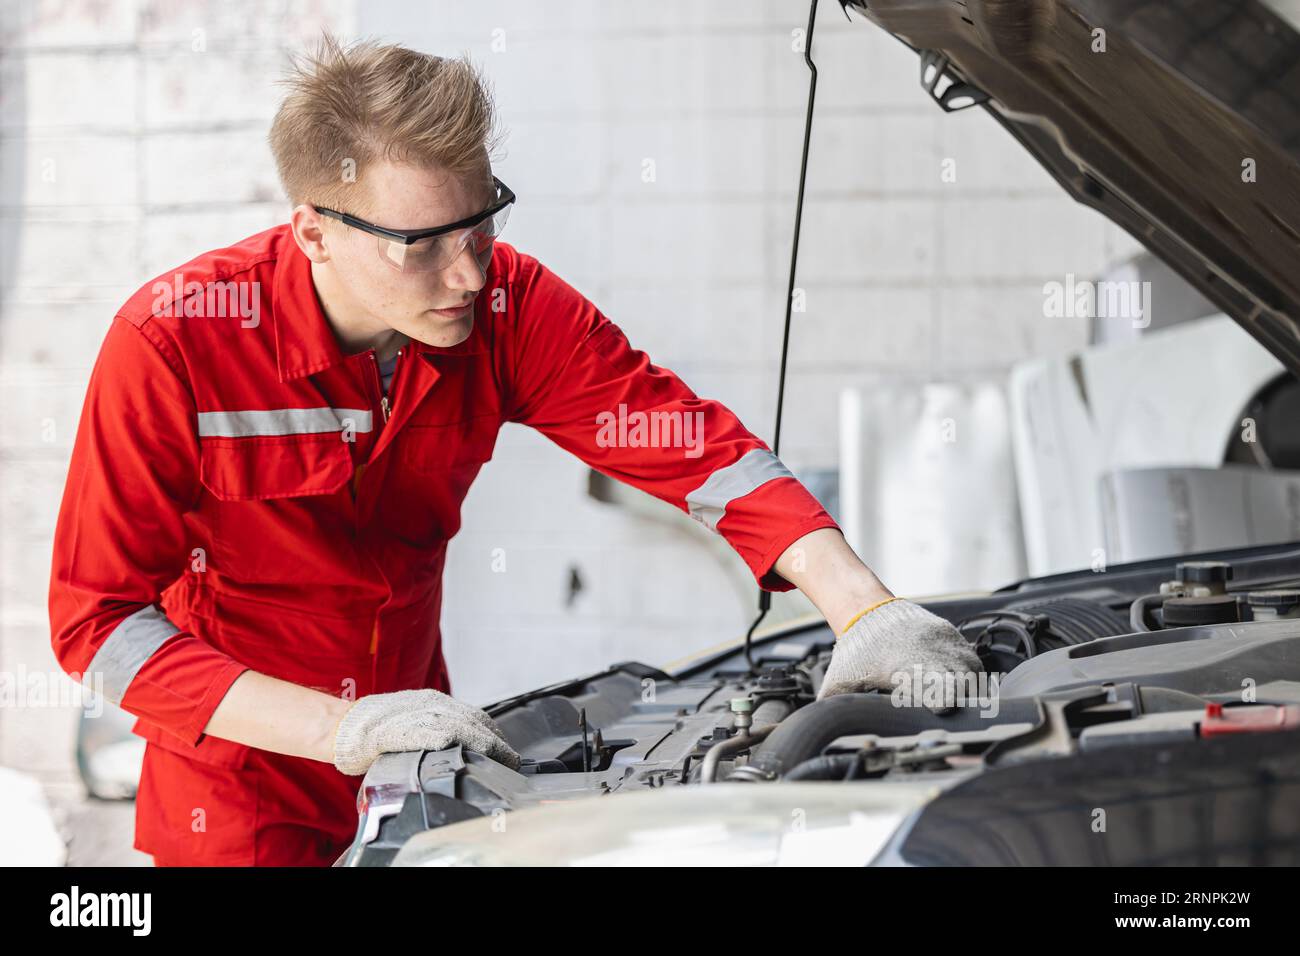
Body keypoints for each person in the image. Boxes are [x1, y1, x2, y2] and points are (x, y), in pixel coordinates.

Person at [48, 37, 981, 866]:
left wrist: (865, 610)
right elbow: (96, 626)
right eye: (421, 246)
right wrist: (337, 726)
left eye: (480, 224)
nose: (466, 274)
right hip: (243, 784)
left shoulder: (503, 303)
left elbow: (689, 444)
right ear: (312, 233)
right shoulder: (177, 343)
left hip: (423, 747)